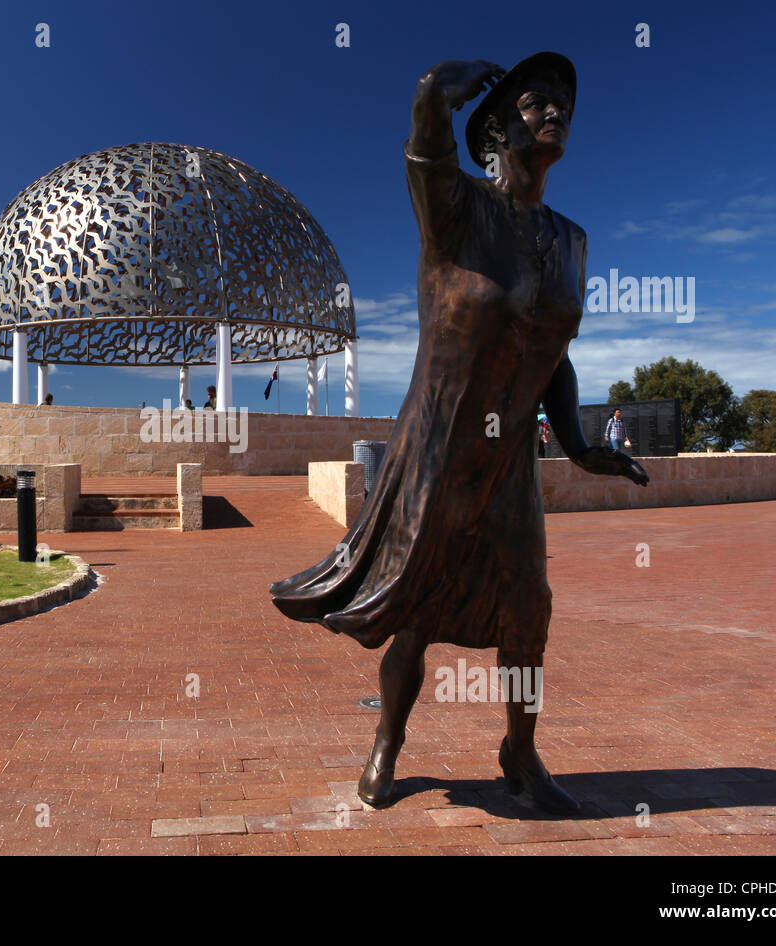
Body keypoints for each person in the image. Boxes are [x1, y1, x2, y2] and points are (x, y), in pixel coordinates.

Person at [269, 54, 648, 813]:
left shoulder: (571, 241)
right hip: (438, 453)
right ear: (497, 131)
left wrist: (576, 444)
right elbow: (426, 156)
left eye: (562, 104)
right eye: (535, 102)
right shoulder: (458, 211)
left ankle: (521, 752)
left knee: (527, 609)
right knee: (417, 609)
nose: (554, 112)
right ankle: (389, 740)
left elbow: (551, 354)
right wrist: (428, 97)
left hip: (506, 464)